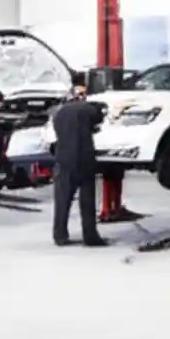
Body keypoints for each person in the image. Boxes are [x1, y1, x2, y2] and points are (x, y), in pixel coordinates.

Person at [50, 86, 110, 247]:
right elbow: (99, 120)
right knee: (87, 202)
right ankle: (90, 237)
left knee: (62, 200)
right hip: (84, 159)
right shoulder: (88, 109)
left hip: (64, 160)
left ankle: (60, 235)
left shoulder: (58, 113)